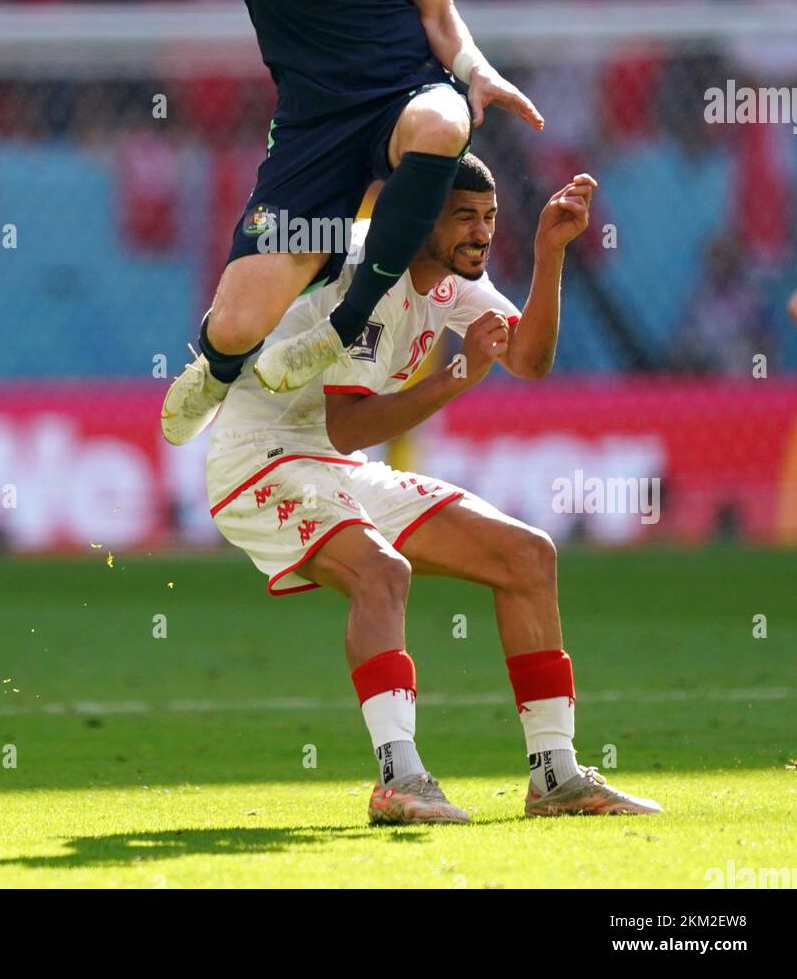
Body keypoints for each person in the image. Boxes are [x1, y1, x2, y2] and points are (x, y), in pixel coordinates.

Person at [72, 0, 543, 446]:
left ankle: (343, 327)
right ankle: (218, 370)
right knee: (235, 325)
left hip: (401, 94)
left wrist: (475, 73)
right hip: (313, 126)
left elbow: (439, 11)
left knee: (445, 123)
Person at [204, 154, 661, 822]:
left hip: (328, 464)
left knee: (527, 557)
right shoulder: (366, 277)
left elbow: (528, 360)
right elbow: (346, 427)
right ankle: (399, 779)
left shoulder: (448, 279)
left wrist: (549, 250)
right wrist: (453, 379)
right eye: (464, 219)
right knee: (380, 572)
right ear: (419, 219)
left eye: (490, 219)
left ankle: (555, 776)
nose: (480, 233)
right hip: (259, 459)